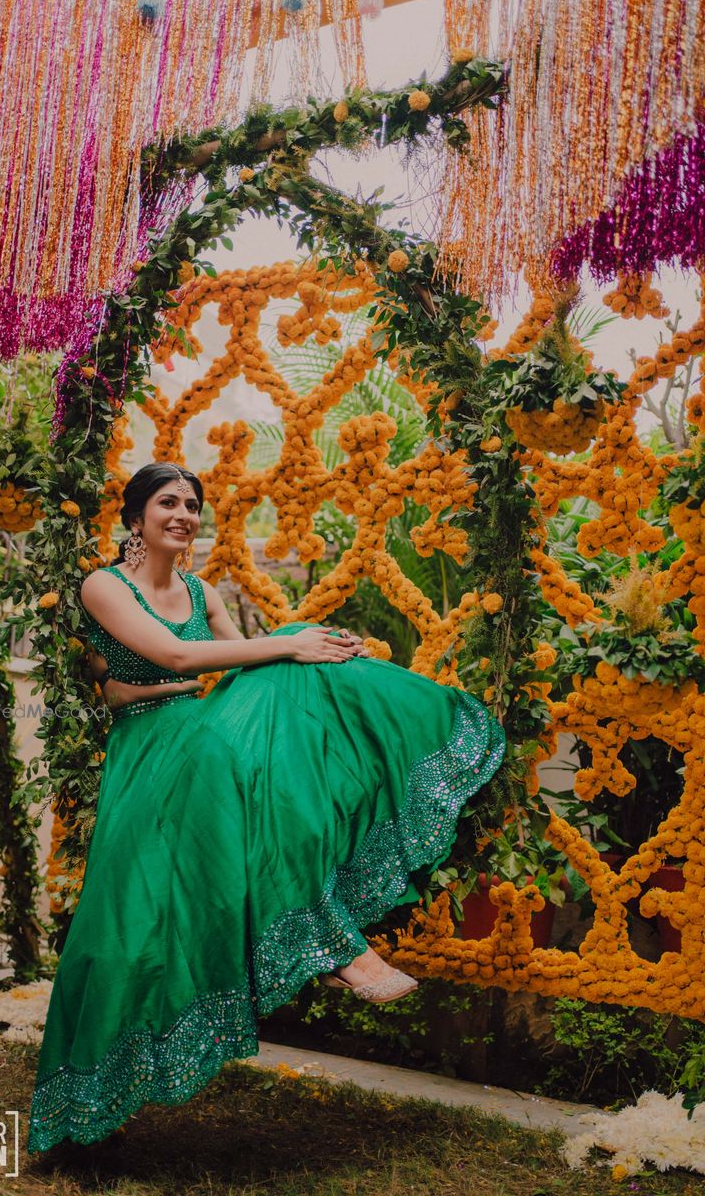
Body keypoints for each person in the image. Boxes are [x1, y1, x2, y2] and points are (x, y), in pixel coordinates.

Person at [27, 462, 505, 1154]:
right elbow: (172, 653)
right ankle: (83, 1103)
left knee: (307, 675)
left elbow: (248, 659)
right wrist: (289, 639)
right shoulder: (104, 584)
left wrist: (325, 649)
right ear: (135, 518)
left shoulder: (200, 588)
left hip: (203, 748)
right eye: (167, 502)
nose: (184, 514)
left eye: (192, 504)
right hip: (149, 755)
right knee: (123, 931)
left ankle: (333, 937)